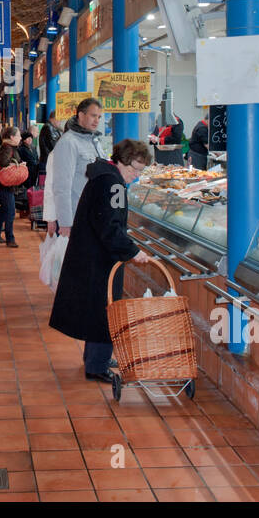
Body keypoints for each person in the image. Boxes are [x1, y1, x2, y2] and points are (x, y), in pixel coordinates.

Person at [49, 139, 153, 381]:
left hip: (91, 253)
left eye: (140, 170)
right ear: (121, 162)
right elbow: (110, 226)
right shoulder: (113, 184)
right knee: (104, 309)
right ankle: (97, 365)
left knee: (96, 308)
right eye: (133, 169)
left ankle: (97, 358)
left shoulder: (102, 176)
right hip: (100, 258)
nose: (136, 176)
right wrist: (132, 251)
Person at [48, 98, 104, 239]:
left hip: (93, 213)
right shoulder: (68, 142)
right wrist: (66, 222)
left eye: (99, 117)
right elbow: (61, 186)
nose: (96, 120)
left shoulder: (95, 141)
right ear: (80, 115)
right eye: (93, 115)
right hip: (76, 217)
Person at [0, 126, 24, 247]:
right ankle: (10, 238)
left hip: (6, 184)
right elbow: (2, 161)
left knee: (4, 210)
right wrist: (17, 165)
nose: (20, 137)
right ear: (12, 137)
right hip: (6, 184)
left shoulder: (9, 147)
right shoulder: (7, 148)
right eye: (19, 135)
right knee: (10, 212)